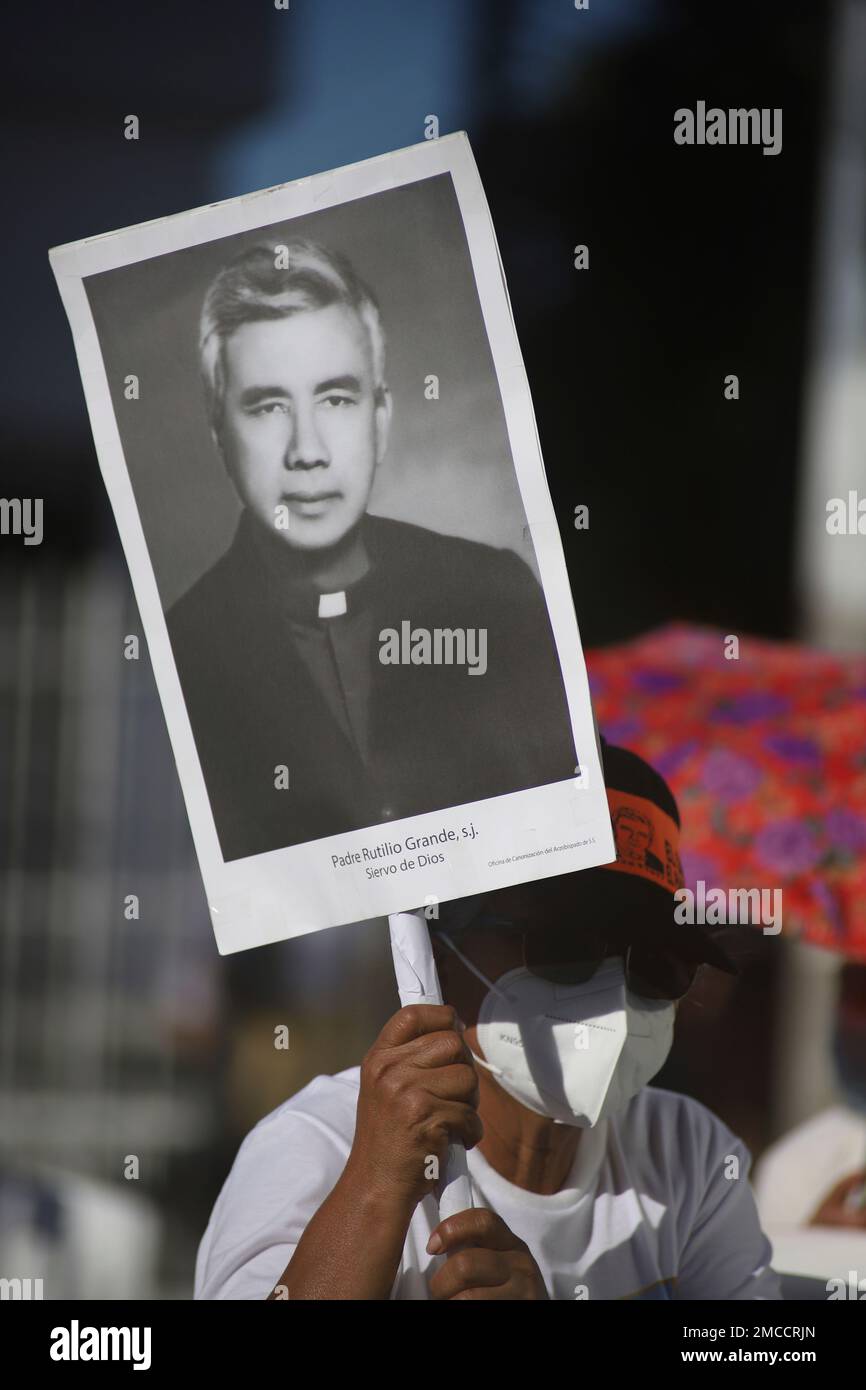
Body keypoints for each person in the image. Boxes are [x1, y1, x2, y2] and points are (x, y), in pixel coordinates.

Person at [194, 741, 782, 1299]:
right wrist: (375, 1187)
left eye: (660, 965)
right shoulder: (316, 1150)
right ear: (443, 954)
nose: (618, 996)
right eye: (565, 946)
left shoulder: (689, 1155)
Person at [165, 238, 575, 861]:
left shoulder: (500, 595)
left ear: (380, 421)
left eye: (336, 399)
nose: (308, 450)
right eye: (268, 406)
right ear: (220, 434)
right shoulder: (179, 656)